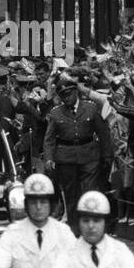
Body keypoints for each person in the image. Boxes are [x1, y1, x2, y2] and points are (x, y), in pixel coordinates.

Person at [43, 77, 113, 225]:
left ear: (75, 92)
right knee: (71, 195)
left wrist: (107, 156)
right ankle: (74, 229)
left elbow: (103, 134)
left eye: (68, 94)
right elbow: (49, 139)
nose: (66, 98)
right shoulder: (56, 113)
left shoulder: (91, 108)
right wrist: (49, 158)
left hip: (89, 155)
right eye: (62, 96)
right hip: (66, 158)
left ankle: (90, 224)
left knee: (90, 192)